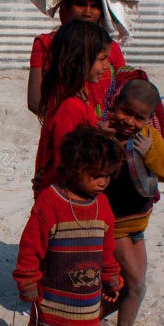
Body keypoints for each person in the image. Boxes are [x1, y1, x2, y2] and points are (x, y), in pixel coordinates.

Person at [14, 126, 123, 326]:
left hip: (86, 294)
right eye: (96, 175)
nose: (103, 182)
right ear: (74, 169)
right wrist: (27, 280)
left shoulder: (103, 206)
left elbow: (107, 248)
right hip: (51, 291)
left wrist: (111, 276)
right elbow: (30, 246)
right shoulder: (50, 201)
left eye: (108, 176)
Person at [100, 78, 164, 326]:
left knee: (131, 287)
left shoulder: (147, 139)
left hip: (137, 226)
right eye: (126, 111)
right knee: (133, 285)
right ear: (115, 104)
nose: (129, 122)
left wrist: (151, 153)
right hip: (115, 227)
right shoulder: (104, 135)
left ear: (149, 118)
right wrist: (101, 138)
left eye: (139, 117)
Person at [32, 19, 112, 198]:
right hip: (64, 198)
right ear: (77, 61)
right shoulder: (70, 107)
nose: (105, 66)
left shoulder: (78, 97)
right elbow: (65, 162)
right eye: (101, 59)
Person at [27, 0, 126, 118]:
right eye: (80, 4)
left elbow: (124, 92)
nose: (87, 12)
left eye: (94, 6)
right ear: (67, 7)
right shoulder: (46, 43)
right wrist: (67, 120)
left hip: (103, 134)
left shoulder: (111, 48)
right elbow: (35, 101)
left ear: (102, 11)